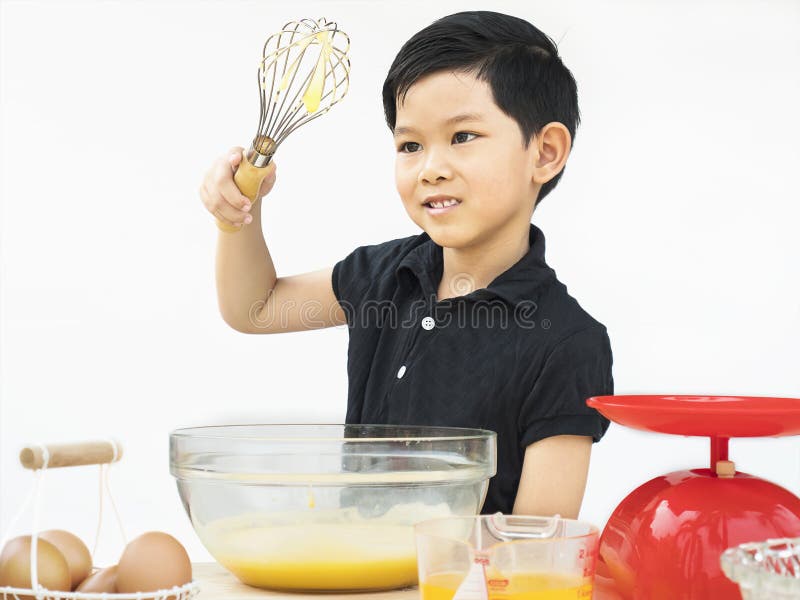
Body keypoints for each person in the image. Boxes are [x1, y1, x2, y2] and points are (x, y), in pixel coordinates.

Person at [199, 10, 613, 519]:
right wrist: (240, 212)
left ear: (545, 152)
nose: (431, 169)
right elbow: (255, 309)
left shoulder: (568, 341)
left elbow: (536, 545)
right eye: (410, 145)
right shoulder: (385, 277)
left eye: (463, 137)